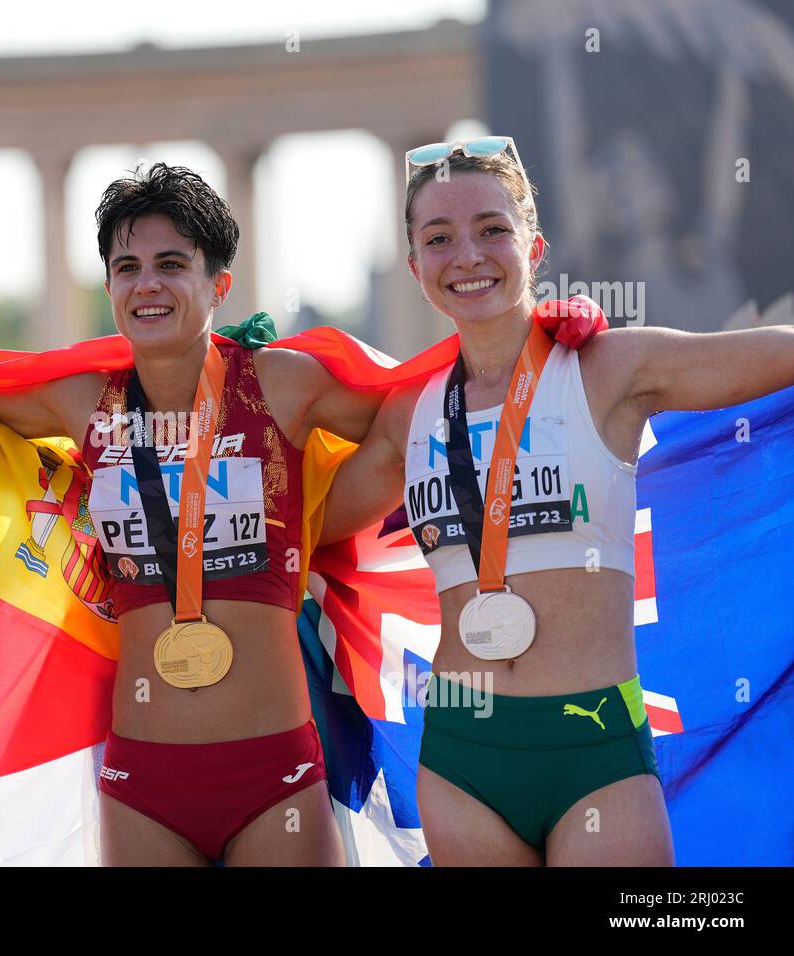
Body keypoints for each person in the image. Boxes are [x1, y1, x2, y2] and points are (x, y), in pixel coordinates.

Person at [0, 162, 589, 866]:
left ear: (219, 284)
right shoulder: (78, 402)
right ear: (108, 288)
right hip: (139, 782)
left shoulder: (281, 383)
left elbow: (427, 413)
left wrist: (531, 337)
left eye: (171, 264)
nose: (147, 284)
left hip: (274, 778)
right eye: (126, 267)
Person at [318, 136, 794, 865]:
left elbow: (778, 354)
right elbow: (295, 534)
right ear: (415, 268)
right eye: (438, 238)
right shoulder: (406, 413)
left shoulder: (610, 367)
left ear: (533, 245)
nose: (468, 254)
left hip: (595, 747)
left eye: (492, 230)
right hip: (461, 753)